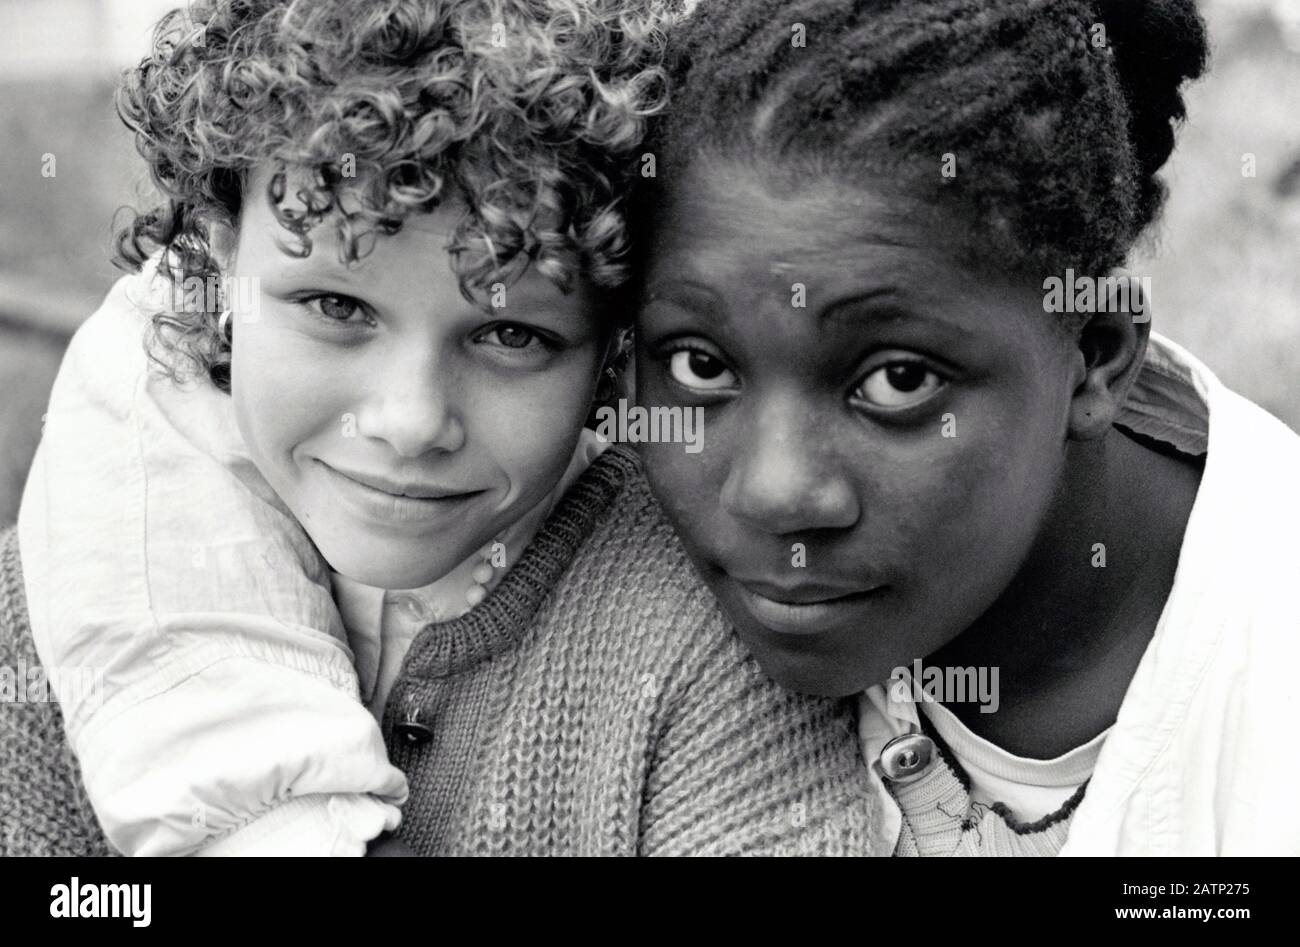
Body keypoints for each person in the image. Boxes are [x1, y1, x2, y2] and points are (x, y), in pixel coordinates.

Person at [6, 0, 875, 857]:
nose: (411, 421)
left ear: (612, 345)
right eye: (336, 305)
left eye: (510, 334)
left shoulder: (705, 639)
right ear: (223, 254)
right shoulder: (56, 606)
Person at [630, 0, 1300, 854]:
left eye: (897, 380)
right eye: (700, 364)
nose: (774, 492)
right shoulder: (582, 557)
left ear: (1094, 355)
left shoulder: (1273, 694)